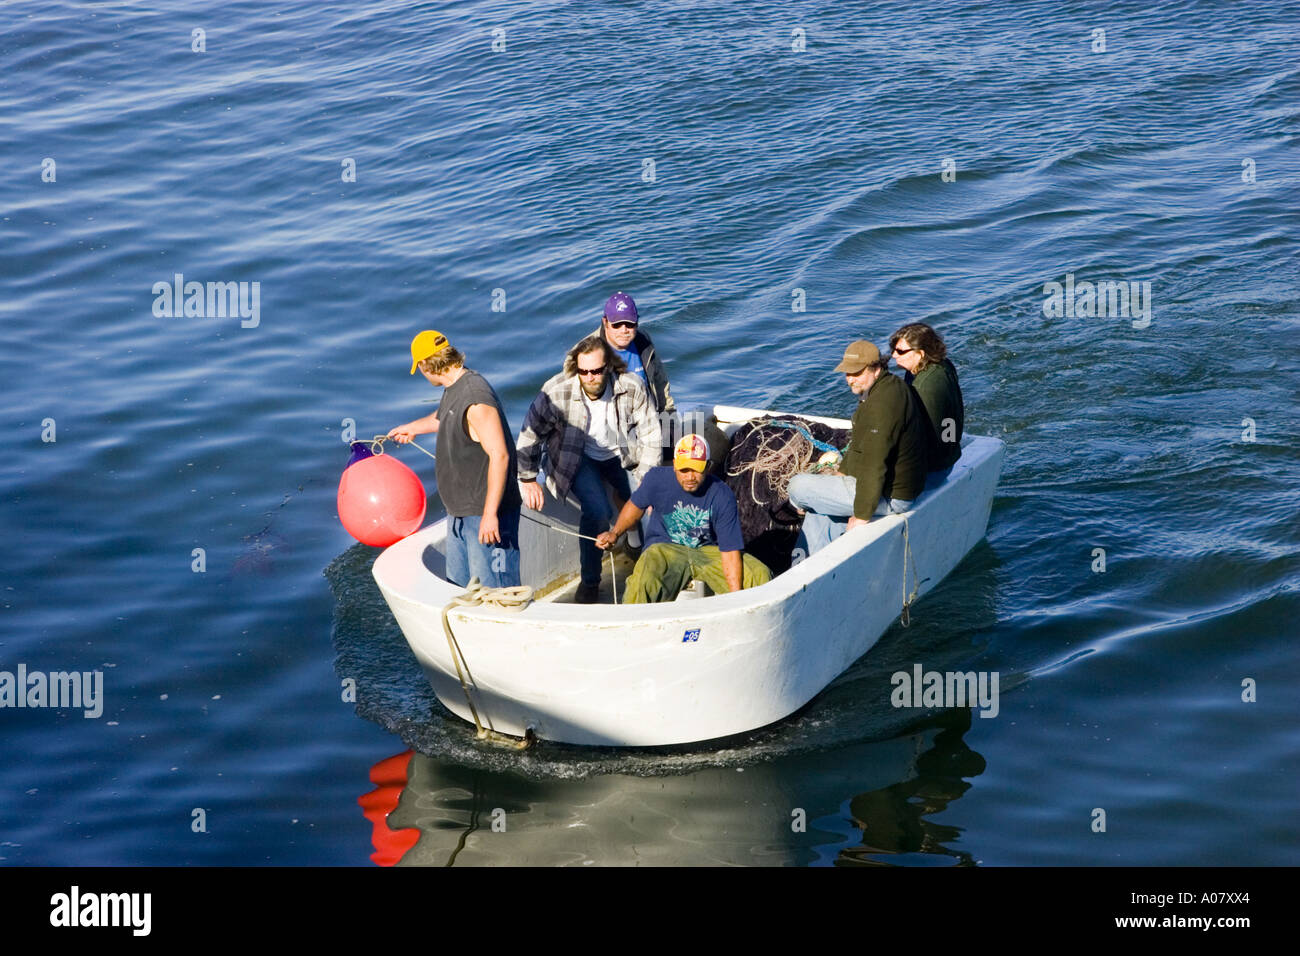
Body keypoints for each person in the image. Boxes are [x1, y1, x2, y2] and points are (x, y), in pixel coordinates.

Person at [518, 335, 662, 603]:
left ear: (608, 367)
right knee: (597, 510)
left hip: (622, 453)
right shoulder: (556, 390)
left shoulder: (631, 385)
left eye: (596, 371)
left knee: (649, 501)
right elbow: (530, 433)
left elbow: (651, 432)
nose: (590, 377)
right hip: (576, 457)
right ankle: (590, 581)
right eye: (584, 371)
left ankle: (648, 563)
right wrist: (527, 477)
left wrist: (646, 477)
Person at [387, 330, 522, 588]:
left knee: (495, 591)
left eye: (421, 369)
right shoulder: (455, 386)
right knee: (458, 587)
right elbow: (443, 416)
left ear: (427, 365)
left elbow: (500, 454)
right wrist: (413, 427)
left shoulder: (475, 398)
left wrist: (490, 514)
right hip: (460, 512)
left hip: (484, 513)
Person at [787, 340, 930, 553]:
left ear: (877, 369)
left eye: (857, 373)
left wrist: (862, 516)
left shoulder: (880, 407)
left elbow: (874, 465)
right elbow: (859, 445)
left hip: (892, 496)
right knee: (821, 509)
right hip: (895, 487)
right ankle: (808, 560)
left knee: (797, 486)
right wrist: (841, 473)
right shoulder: (889, 386)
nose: (850, 380)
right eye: (847, 374)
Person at [595, 434, 771, 603]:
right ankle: (632, 626)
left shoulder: (722, 494)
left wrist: (736, 600)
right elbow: (635, 507)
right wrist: (615, 533)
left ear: (708, 467)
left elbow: (729, 552)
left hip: (708, 551)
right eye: (684, 469)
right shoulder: (656, 478)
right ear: (674, 465)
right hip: (664, 548)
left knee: (759, 574)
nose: (689, 476)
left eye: (696, 469)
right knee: (643, 579)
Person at [889, 323, 964, 473]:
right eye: (894, 350)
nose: (894, 355)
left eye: (900, 351)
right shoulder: (943, 365)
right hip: (950, 450)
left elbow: (925, 432)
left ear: (920, 354)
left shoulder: (924, 386)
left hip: (935, 463)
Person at [595, 291, 674, 415]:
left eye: (630, 324)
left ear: (637, 322)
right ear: (605, 322)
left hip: (649, 418)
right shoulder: (587, 352)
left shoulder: (643, 342)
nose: (624, 330)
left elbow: (660, 382)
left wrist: (669, 415)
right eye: (617, 325)